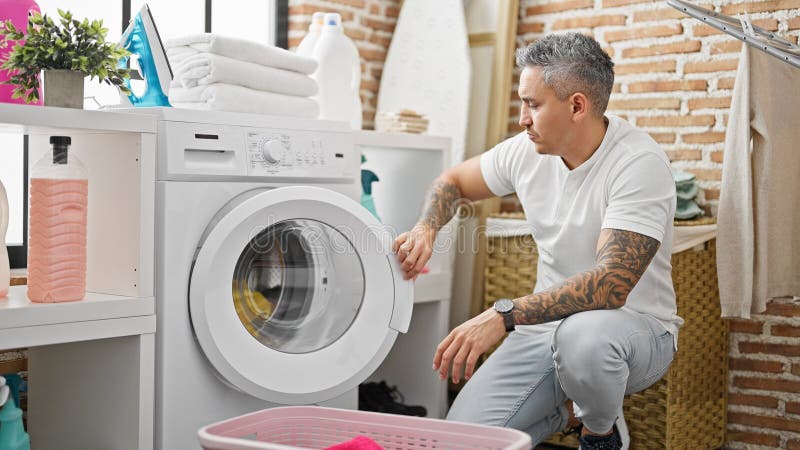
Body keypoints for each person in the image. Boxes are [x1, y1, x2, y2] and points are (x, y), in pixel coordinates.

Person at [392, 32, 683, 450]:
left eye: (533, 104)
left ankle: (599, 430)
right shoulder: (525, 151)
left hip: (632, 334)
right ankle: (568, 412)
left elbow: (612, 284)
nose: (523, 118)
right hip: (543, 332)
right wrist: (426, 228)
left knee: (584, 338)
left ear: (577, 106)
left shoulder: (639, 164)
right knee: (458, 442)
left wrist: (501, 315)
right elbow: (452, 182)